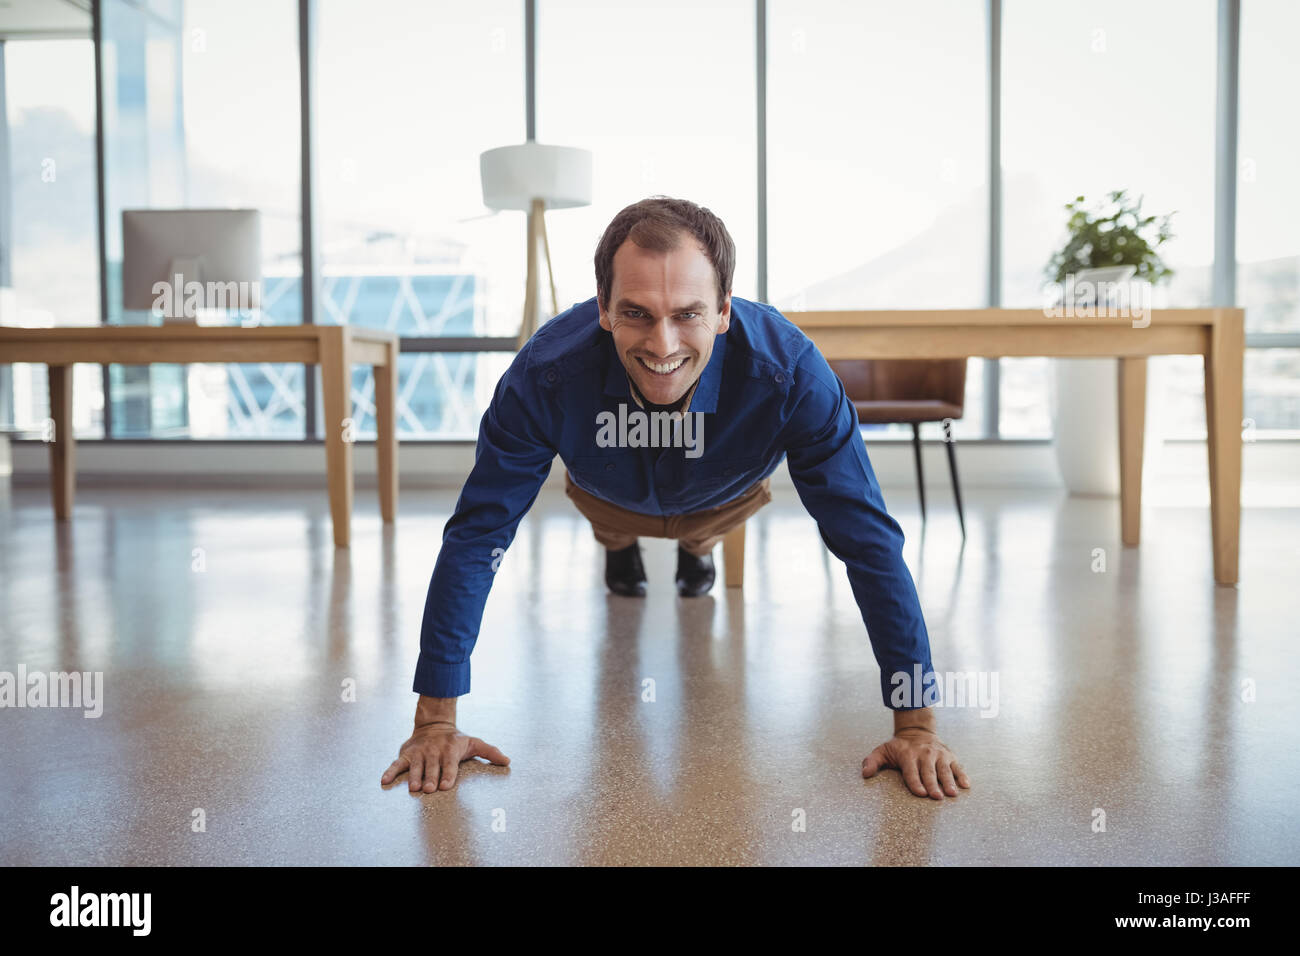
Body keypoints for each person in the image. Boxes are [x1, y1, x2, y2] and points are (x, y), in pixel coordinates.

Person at [381, 196, 971, 801]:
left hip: (723, 497)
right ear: (604, 310)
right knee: (614, 526)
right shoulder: (545, 374)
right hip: (609, 494)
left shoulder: (791, 374)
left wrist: (917, 723)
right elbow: (479, 534)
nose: (662, 344)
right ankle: (620, 544)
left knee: (700, 531)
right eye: (636, 313)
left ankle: (696, 546)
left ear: (723, 312)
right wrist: (435, 721)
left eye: (688, 314)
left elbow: (867, 542)